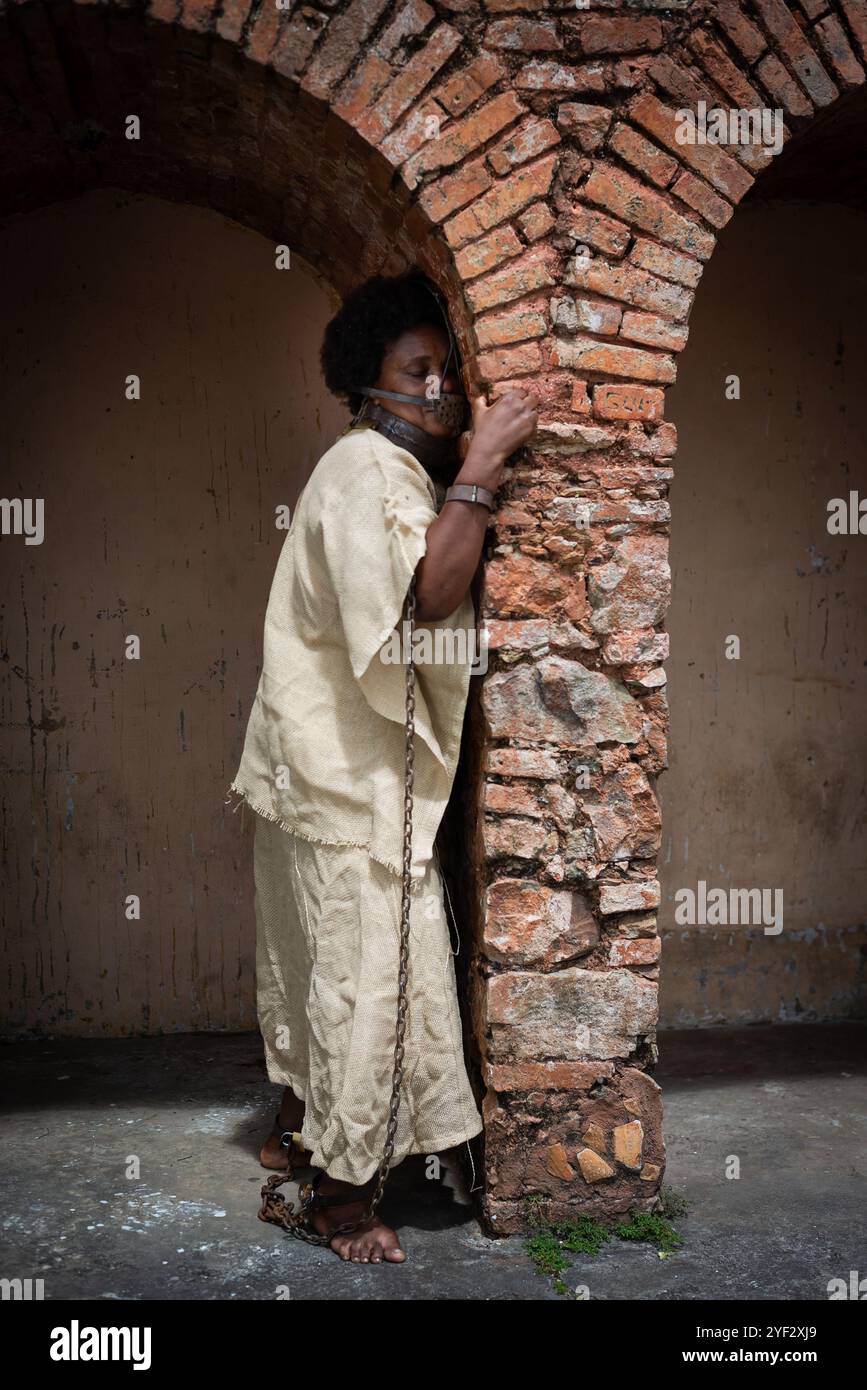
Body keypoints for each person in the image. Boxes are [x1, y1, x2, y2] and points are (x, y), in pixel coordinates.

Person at [227, 270, 538, 1264]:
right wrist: (486, 461)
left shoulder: (383, 471)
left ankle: (296, 1132)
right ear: (368, 389)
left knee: (327, 963)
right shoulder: (368, 469)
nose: (441, 388)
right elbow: (427, 600)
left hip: (318, 776)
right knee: (365, 977)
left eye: (446, 369)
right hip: (339, 787)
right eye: (418, 371)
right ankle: (341, 1201)